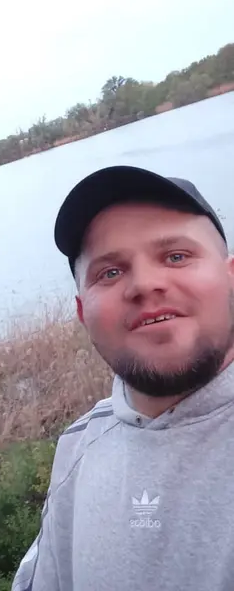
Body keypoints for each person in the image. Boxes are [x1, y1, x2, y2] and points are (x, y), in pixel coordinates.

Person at [12, 165, 234, 591]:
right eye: (110, 272)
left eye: (176, 256)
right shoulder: (79, 448)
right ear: (83, 313)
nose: (145, 284)